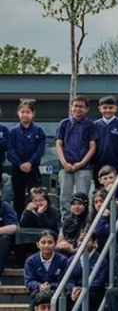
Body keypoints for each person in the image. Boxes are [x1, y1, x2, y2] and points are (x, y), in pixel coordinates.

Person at [54, 96, 97, 224]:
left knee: (82, 198)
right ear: (71, 107)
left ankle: (83, 227)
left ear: (86, 109)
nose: (78, 109)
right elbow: (58, 144)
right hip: (65, 168)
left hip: (83, 168)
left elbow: (92, 147)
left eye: (81, 106)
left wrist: (81, 163)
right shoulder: (64, 124)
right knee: (65, 199)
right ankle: (66, 226)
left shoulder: (90, 125)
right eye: (75, 106)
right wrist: (64, 162)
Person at [7, 99, 46, 218]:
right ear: (18, 113)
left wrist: (30, 163)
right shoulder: (13, 131)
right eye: (22, 112)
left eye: (28, 112)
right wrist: (20, 164)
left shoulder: (39, 131)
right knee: (18, 197)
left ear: (33, 114)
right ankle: (19, 221)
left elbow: (40, 149)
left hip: (33, 169)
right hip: (17, 169)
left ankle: (35, 219)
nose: (25, 114)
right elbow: (10, 150)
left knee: (35, 196)